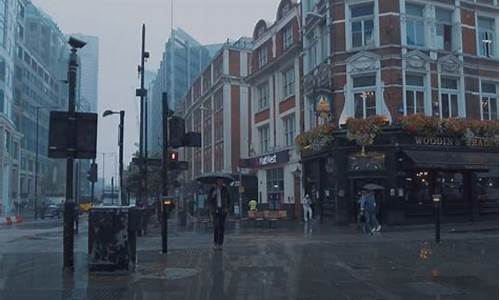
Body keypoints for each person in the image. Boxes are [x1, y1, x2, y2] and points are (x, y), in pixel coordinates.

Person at [208, 178, 232, 250]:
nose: (220, 182)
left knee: (221, 227)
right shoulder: (212, 189)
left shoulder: (225, 189)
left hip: (223, 210)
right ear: (216, 182)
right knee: (216, 226)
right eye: (218, 181)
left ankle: (220, 244)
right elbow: (209, 200)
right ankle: (215, 243)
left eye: (221, 181)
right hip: (215, 210)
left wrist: (227, 208)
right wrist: (213, 194)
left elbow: (229, 200)